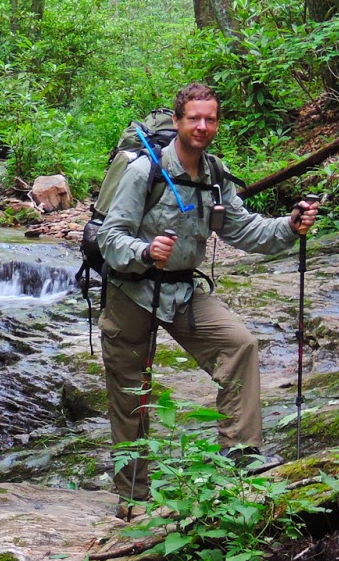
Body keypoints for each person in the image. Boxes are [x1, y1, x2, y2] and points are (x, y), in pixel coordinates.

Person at [96, 82, 318, 513]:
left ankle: (239, 461)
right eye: (193, 118)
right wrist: (144, 251)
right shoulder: (146, 172)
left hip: (182, 290)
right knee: (130, 396)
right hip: (130, 292)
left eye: (210, 119)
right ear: (178, 121)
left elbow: (244, 229)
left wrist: (289, 227)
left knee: (239, 345)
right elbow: (109, 237)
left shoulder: (214, 175)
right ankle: (132, 500)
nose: (202, 126)